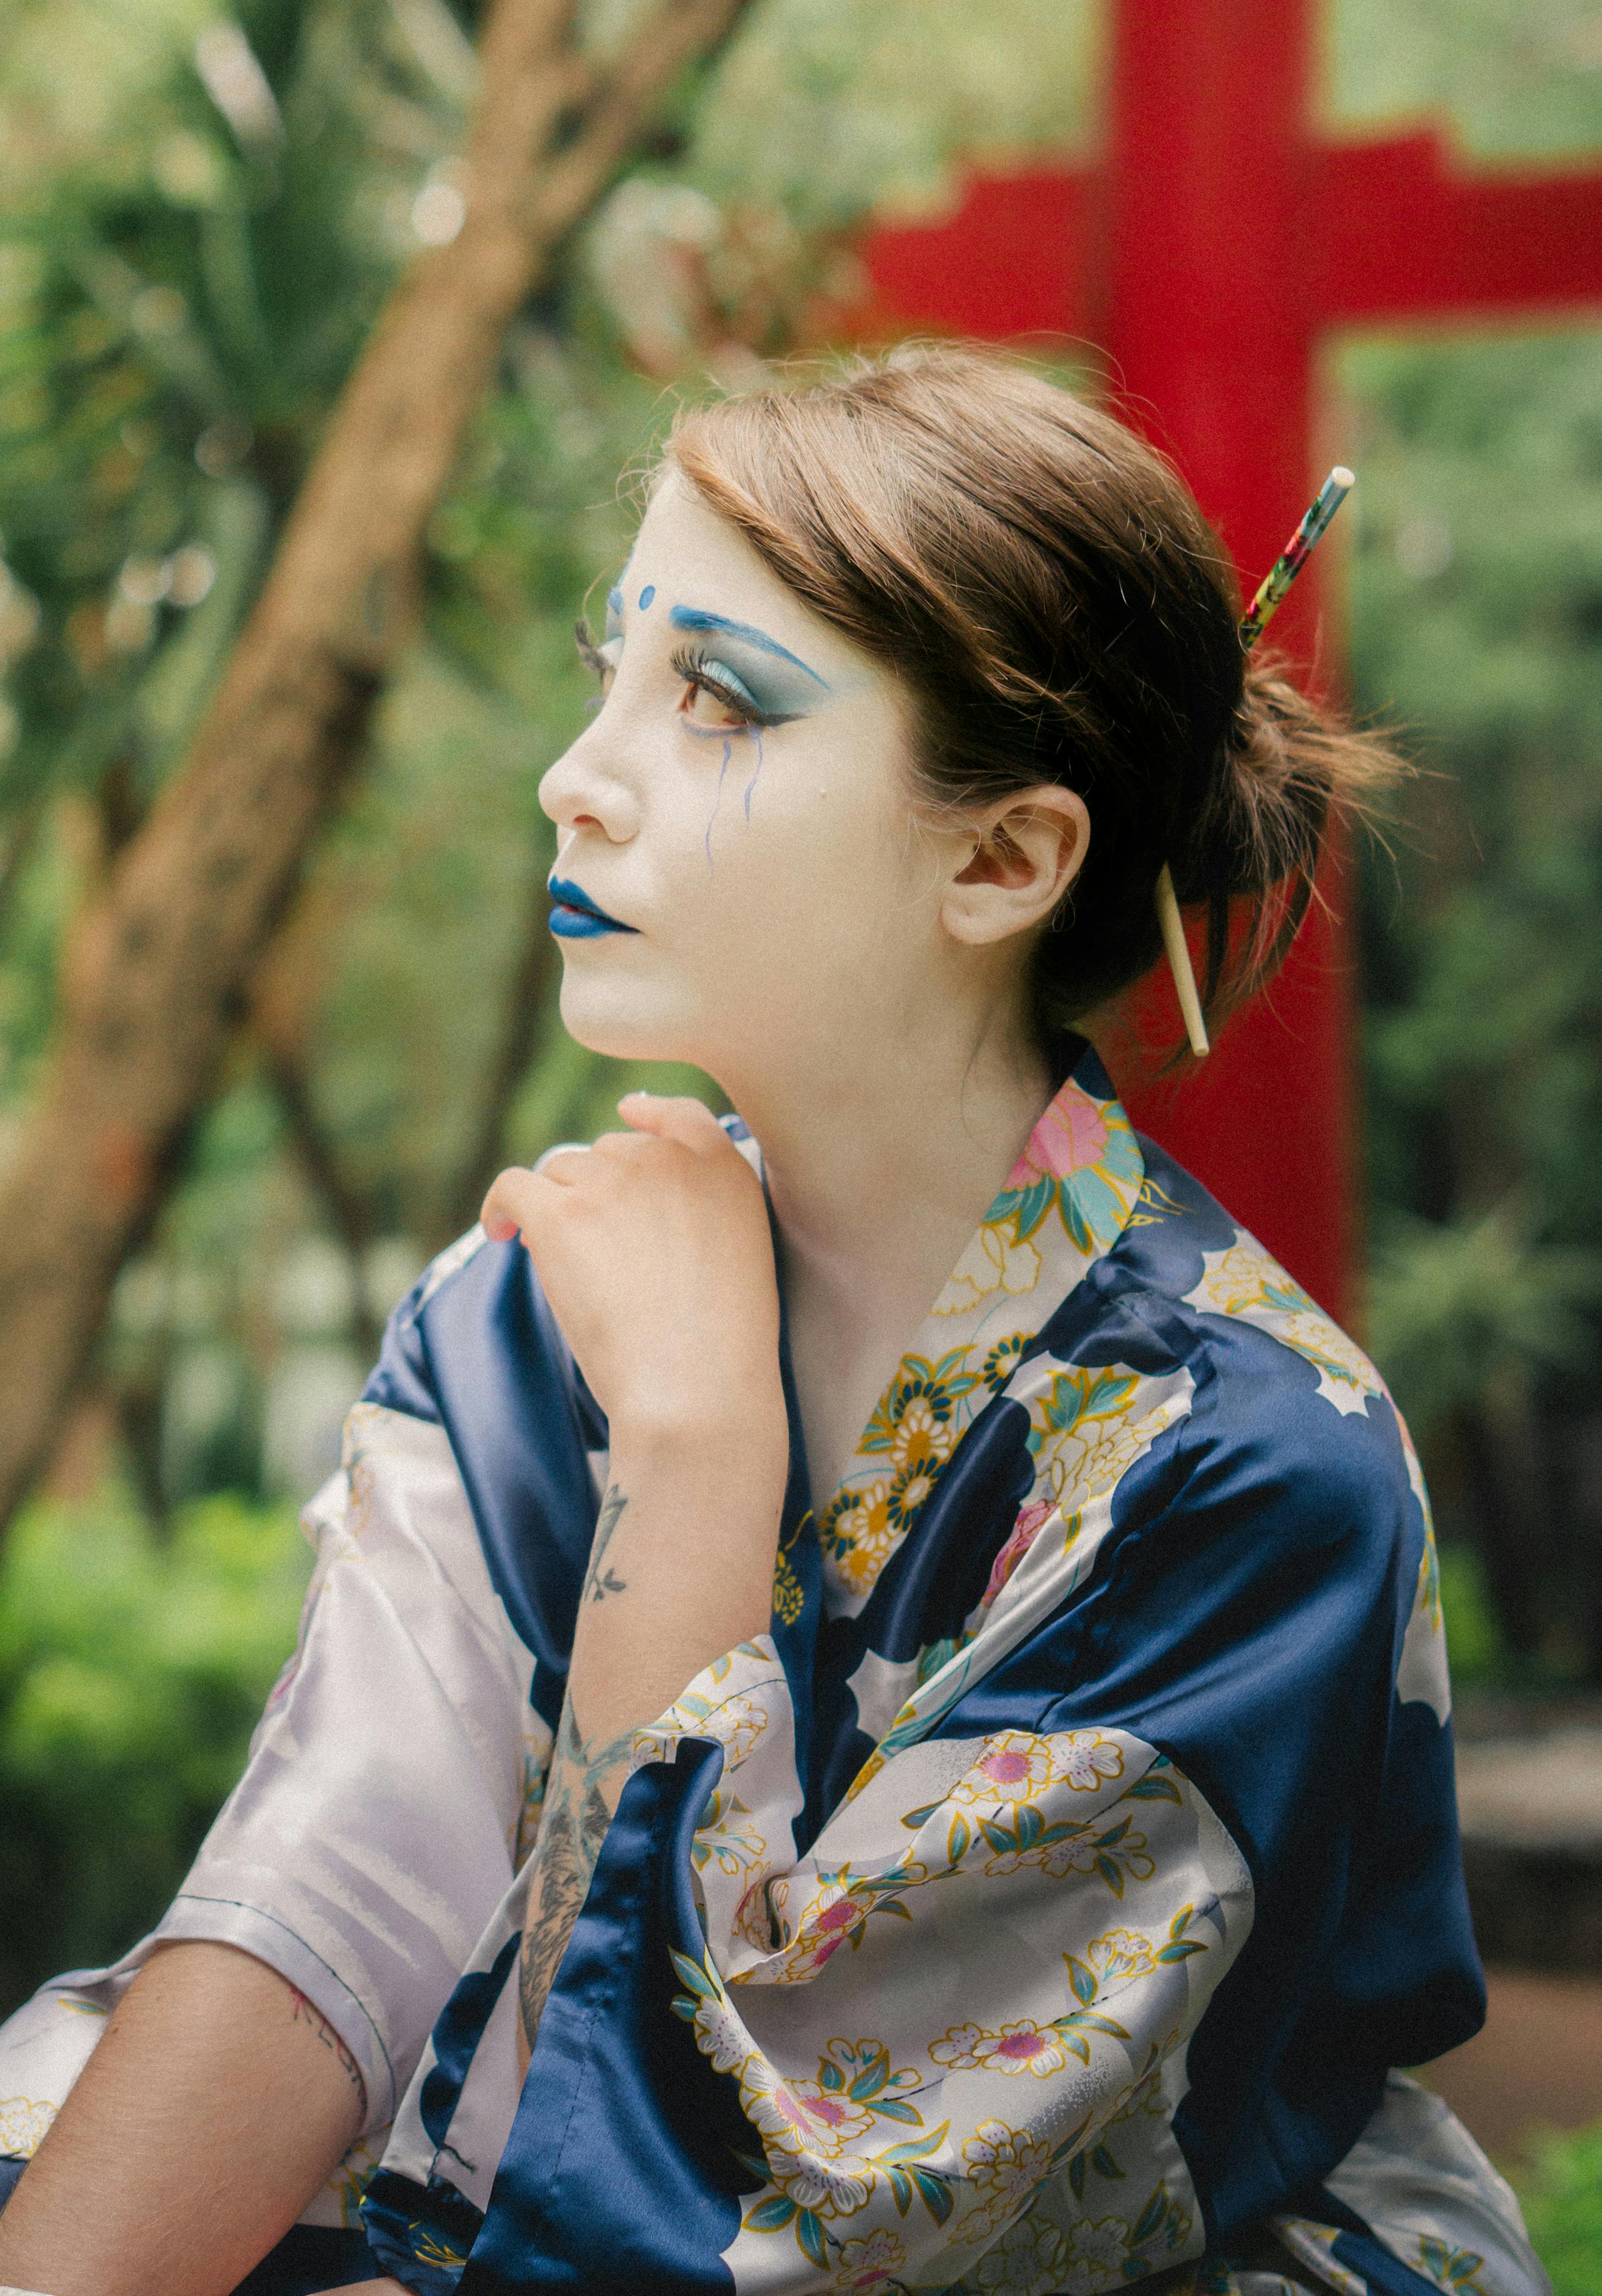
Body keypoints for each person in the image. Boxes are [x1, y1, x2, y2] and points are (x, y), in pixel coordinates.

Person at [0, 348, 1549, 2296]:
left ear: (1001, 859)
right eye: (614, 666)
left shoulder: (1250, 1468)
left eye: (718, 698)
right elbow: (328, 1903)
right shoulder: (523, 1313)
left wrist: (701, 1445)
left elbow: (760, 2216)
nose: (579, 773)